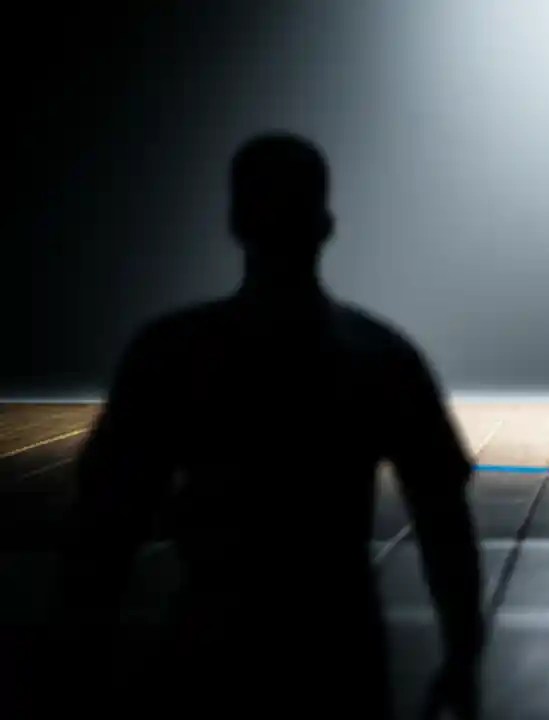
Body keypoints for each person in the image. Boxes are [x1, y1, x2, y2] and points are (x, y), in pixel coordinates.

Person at [48, 132, 483, 719]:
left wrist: (73, 656)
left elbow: (104, 523)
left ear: (236, 221)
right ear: (326, 224)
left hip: (211, 639)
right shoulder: (383, 357)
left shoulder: (172, 352)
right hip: (339, 646)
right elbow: (443, 520)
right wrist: (463, 652)